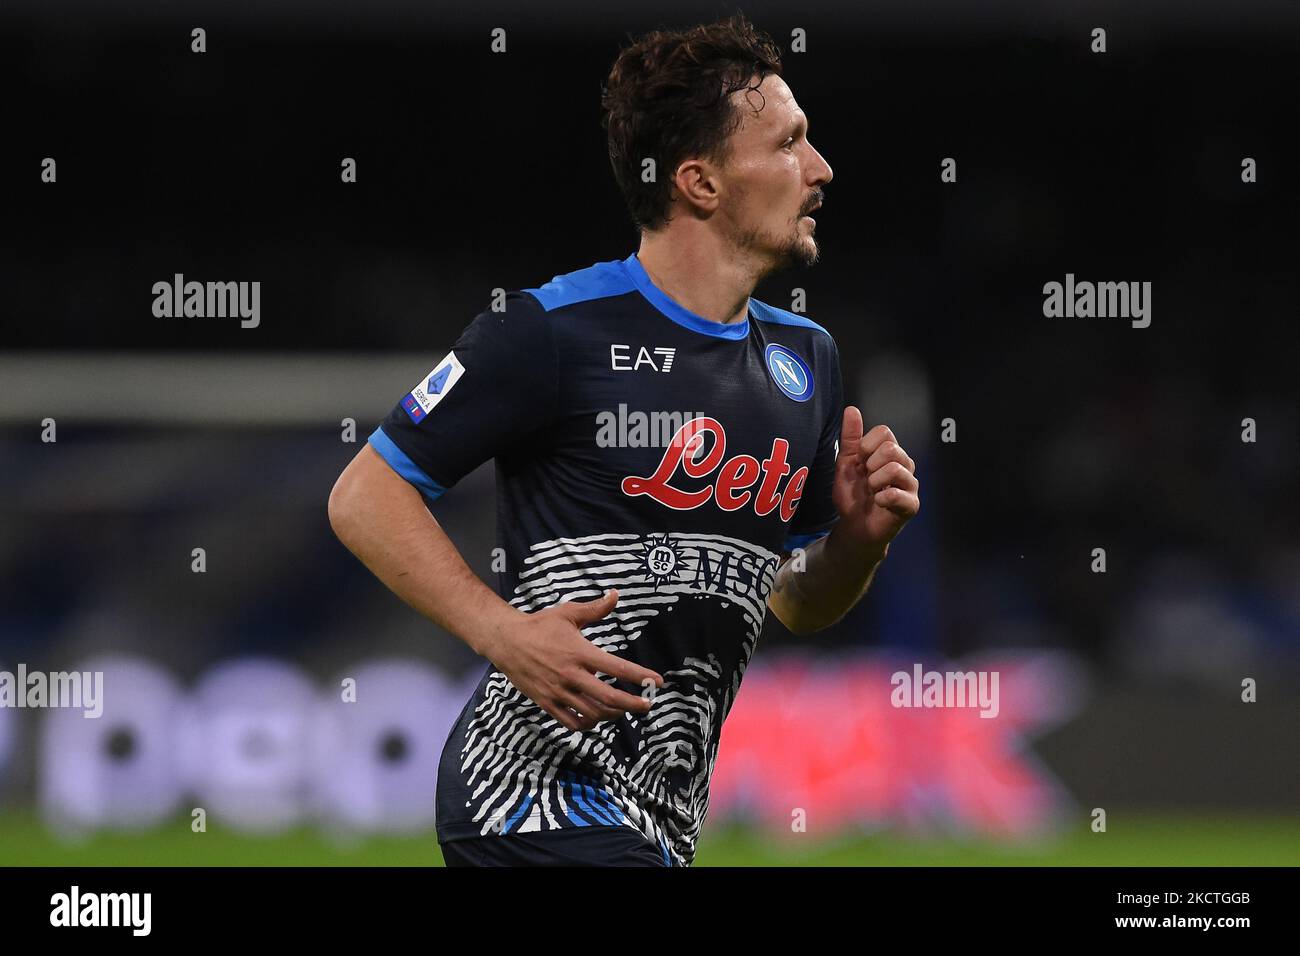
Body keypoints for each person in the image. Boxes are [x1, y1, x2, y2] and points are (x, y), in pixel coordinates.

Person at [328, 13, 920, 867]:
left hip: (654, 821)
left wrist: (858, 547)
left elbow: (794, 599)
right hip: (525, 795)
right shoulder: (549, 332)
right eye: (790, 144)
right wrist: (502, 634)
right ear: (700, 183)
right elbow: (365, 497)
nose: (821, 170)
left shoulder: (807, 363)